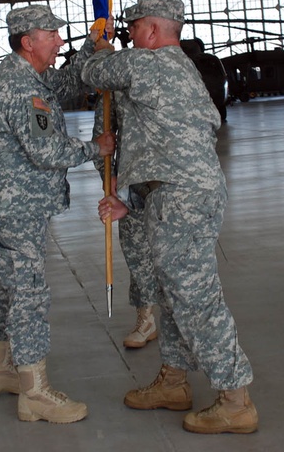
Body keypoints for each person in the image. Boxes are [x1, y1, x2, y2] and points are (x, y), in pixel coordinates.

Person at [84, 0, 257, 435]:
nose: (130, 35)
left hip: (181, 199)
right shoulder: (181, 69)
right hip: (175, 194)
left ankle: (236, 399)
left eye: (134, 28)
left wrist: (99, 47)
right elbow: (166, 147)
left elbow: (92, 73)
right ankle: (175, 381)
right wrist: (135, 203)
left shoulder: (151, 63)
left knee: (196, 298)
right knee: (174, 292)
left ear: (153, 31)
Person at [0, 4, 115, 424]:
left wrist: (91, 45)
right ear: (28, 42)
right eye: (51, 34)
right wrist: (96, 147)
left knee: (11, 283)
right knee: (30, 292)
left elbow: (69, 83)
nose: (59, 40)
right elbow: (47, 151)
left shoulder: (30, 75)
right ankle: (34, 391)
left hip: (14, 204)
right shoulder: (21, 88)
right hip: (18, 207)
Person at [91, 27, 160, 350]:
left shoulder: (174, 74)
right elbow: (102, 138)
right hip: (133, 184)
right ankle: (146, 318)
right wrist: (110, 181)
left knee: (178, 253)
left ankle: (185, 318)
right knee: (137, 252)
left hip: (171, 181)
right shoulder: (116, 86)